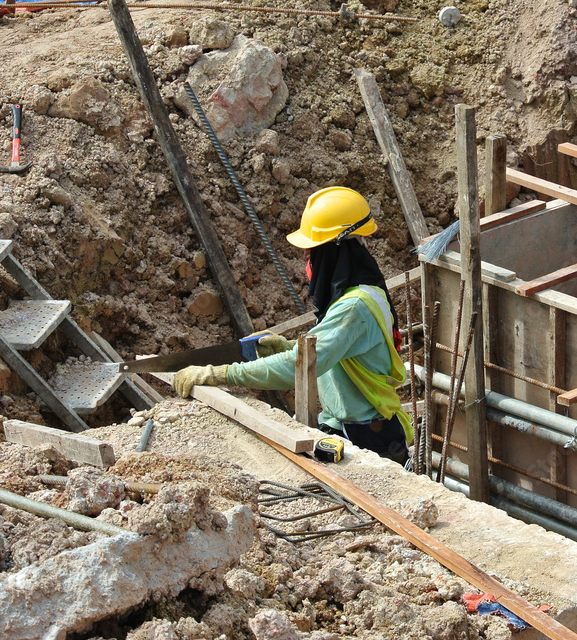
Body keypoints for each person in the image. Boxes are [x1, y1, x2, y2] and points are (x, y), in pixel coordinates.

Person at [173, 187, 413, 465]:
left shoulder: (353, 308)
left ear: (334, 251)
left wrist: (221, 374)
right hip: (347, 426)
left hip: (369, 437)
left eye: (311, 251)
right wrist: (288, 347)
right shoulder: (360, 293)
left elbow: (294, 368)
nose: (306, 259)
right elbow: (338, 354)